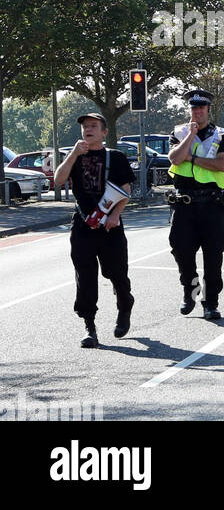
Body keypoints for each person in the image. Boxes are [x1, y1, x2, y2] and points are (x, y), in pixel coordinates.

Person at [54, 112, 135, 348]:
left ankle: (124, 304)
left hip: (110, 227)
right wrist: (73, 154)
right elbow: (59, 180)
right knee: (85, 277)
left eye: (93, 126)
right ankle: (90, 327)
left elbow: (126, 188)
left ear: (104, 132)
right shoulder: (75, 156)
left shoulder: (116, 157)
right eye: (85, 127)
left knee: (116, 273)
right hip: (83, 226)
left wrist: (116, 214)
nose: (88, 130)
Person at [166, 89, 224, 321]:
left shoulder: (222, 135)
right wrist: (190, 137)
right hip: (184, 202)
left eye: (201, 108)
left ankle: (211, 303)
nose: (198, 111)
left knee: (213, 256)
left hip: (212, 203)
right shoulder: (178, 132)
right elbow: (174, 158)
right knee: (181, 250)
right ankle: (190, 291)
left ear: (208, 110)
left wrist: (192, 158)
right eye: (194, 108)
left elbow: (221, 165)